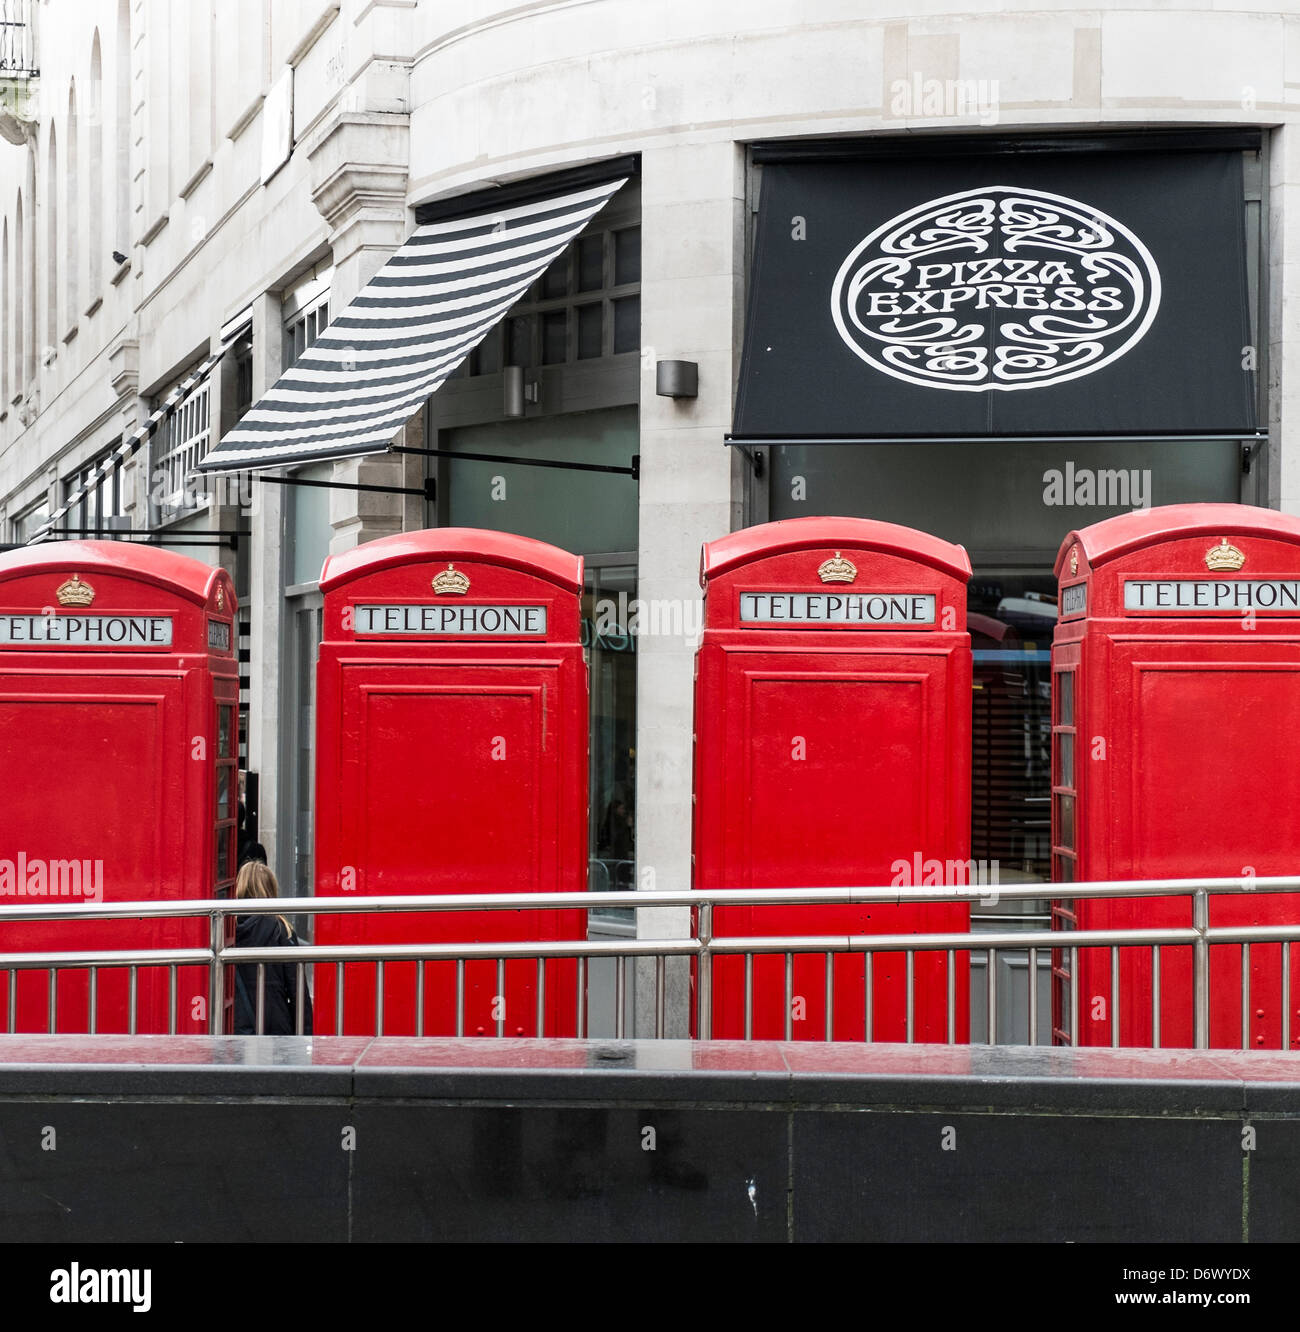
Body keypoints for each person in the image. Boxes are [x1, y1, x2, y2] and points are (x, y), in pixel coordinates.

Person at [232, 861, 312, 1035]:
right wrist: (305, 1036)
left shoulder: (228, 930)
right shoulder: (281, 930)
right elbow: (298, 990)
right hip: (277, 1026)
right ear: (270, 890)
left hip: (239, 1025)